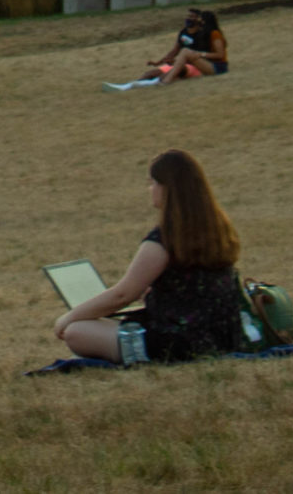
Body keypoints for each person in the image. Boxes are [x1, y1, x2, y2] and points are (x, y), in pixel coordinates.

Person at [51, 148, 246, 365]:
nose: (150, 189)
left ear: (167, 188)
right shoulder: (219, 230)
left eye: (153, 183)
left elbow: (123, 295)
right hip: (224, 338)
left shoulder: (164, 239)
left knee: (76, 331)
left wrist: (68, 317)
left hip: (179, 343)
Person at [145, 9, 227, 79]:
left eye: (191, 16)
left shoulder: (204, 35)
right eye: (187, 16)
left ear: (198, 20)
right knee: (150, 74)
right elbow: (174, 51)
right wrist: (158, 62)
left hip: (195, 65)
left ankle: (163, 82)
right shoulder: (183, 33)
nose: (188, 19)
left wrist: (199, 55)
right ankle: (134, 85)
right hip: (183, 62)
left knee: (164, 76)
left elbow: (205, 56)